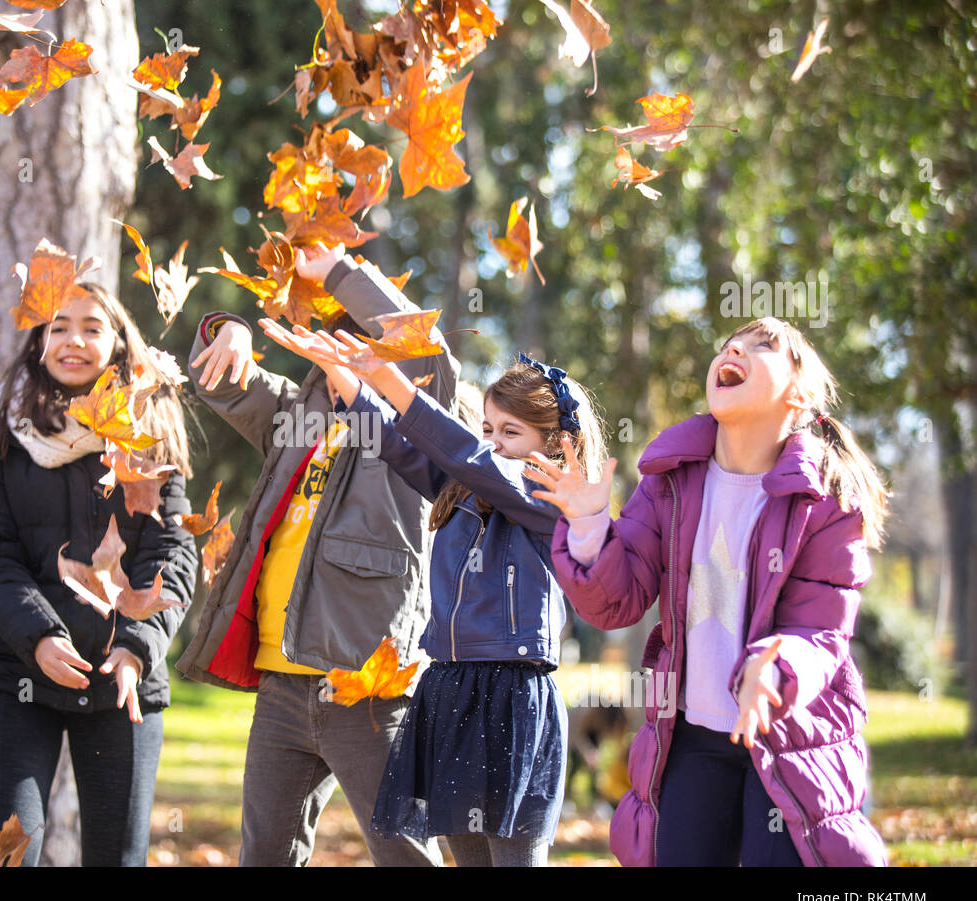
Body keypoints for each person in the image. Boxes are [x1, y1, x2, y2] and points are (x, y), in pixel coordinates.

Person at [532, 316, 889, 866]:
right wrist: (587, 528)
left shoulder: (827, 499)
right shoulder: (669, 481)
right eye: (730, 344)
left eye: (763, 345)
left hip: (792, 735)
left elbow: (822, 629)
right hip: (693, 734)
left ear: (798, 393)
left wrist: (773, 668)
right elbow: (617, 600)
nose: (736, 349)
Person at [259, 312, 606, 867]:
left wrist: (389, 378)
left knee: (513, 859)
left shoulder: (549, 505)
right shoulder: (462, 493)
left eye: (510, 433)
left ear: (559, 447)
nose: (492, 445)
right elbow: (398, 447)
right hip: (449, 690)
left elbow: (467, 456)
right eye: (489, 429)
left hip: (513, 699)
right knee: (463, 856)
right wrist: (343, 375)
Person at [176, 243, 458, 866]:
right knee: (265, 856)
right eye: (340, 331)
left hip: (363, 682)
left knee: (404, 854)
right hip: (282, 680)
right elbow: (215, 376)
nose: (349, 343)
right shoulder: (296, 412)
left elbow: (422, 350)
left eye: (367, 338)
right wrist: (231, 331)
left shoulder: (417, 425)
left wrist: (340, 272)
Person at [0, 282, 197, 866]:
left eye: (92, 326)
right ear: (39, 341)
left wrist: (138, 648)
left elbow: (174, 553)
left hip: (123, 683)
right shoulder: (4, 437)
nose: (73, 340)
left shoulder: (149, 432)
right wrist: (39, 637)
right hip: (17, 675)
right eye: (58, 326)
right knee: (9, 856)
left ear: (117, 343)